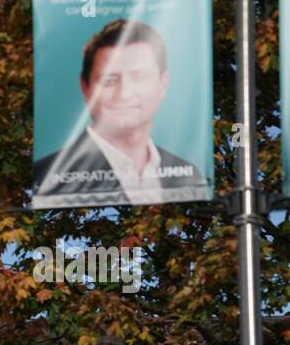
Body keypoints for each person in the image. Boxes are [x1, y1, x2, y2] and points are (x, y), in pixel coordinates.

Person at [33, 18, 204, 208]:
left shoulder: (188, 176)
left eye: (138, 77)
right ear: (85, 87)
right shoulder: (45, 178)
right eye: (109, 80)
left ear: (163, 84)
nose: (124, 94)